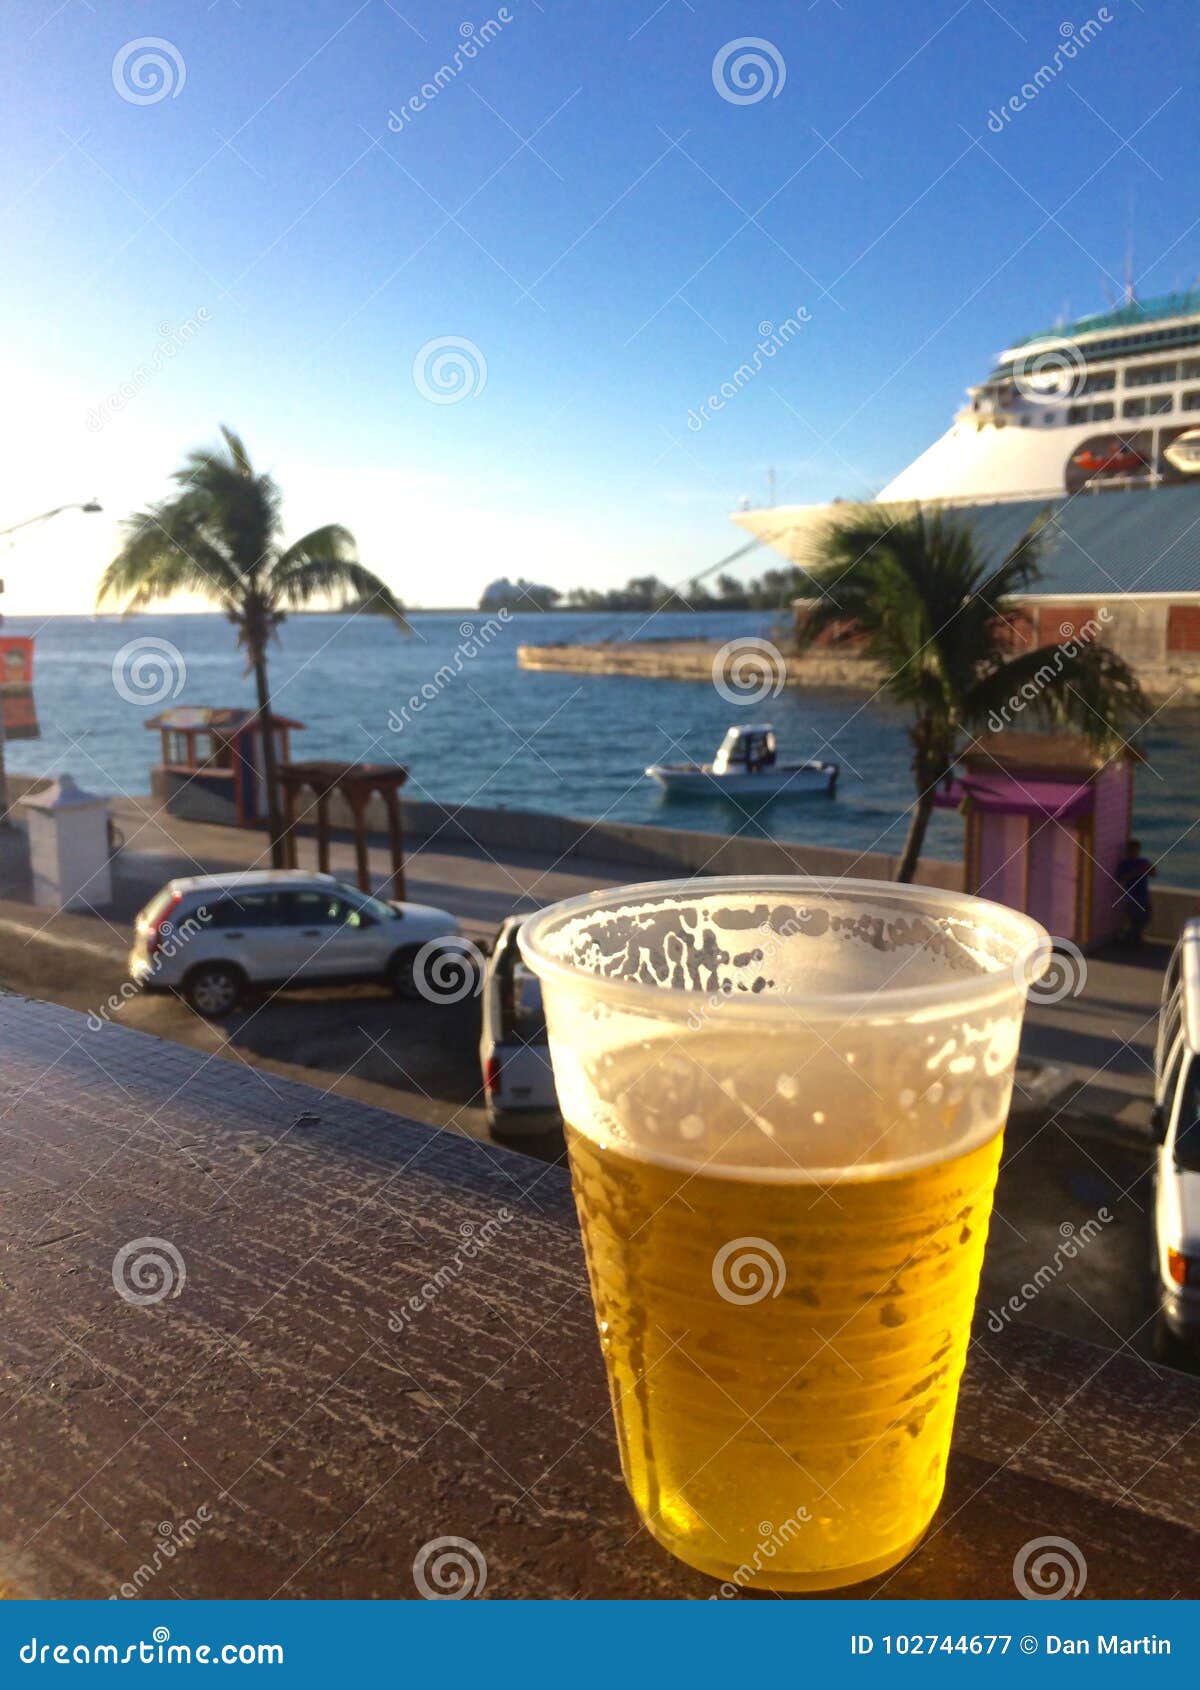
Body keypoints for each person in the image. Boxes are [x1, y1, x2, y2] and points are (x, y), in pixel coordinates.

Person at [1116, 838, 1156, 946]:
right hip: (1132, 896)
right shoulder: (1124, 864)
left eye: (1137, 850)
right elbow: (1120, 878)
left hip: (1143, 896)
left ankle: (1135, 938)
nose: (1135, 852)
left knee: (1146, 918)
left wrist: (1150, 868)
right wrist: (1137, 872)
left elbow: (1154, 873)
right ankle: (1131, 939)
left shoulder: (1143, 862)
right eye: (1133, 850)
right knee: (1134, 919)